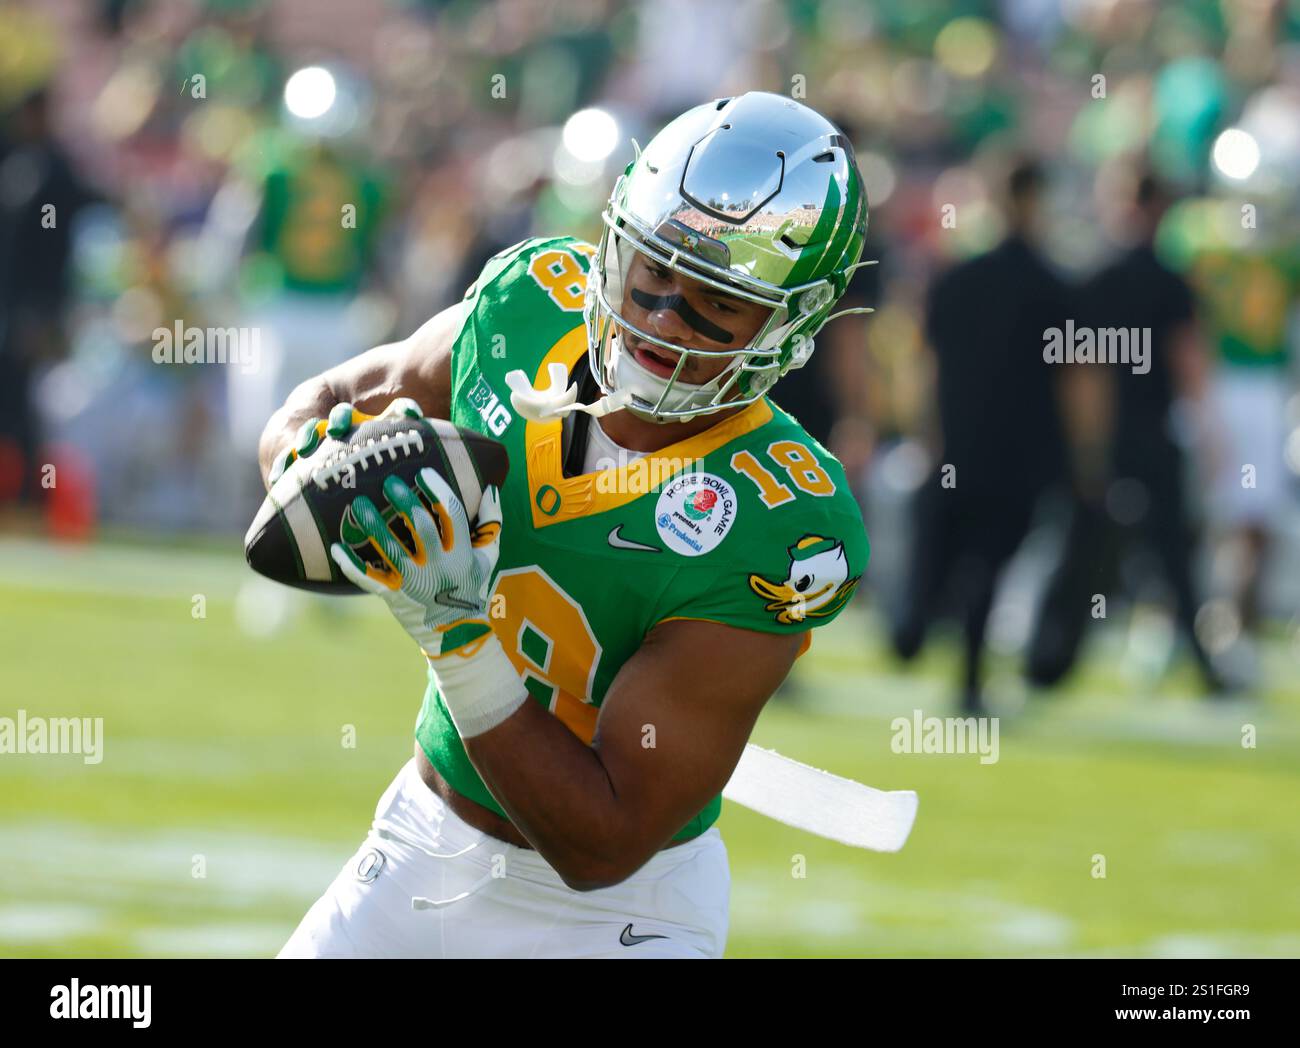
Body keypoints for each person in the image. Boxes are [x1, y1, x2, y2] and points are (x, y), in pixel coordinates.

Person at [260, 92, 871, 958]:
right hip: (421, 846)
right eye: (653, 269)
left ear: (791, 321)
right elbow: (327, 401)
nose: (663, 317)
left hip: (618, 917)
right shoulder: (530, 303)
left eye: (718, 300)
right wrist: (310, 466)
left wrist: (456, 638)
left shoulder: (784, 519)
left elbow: (604, 842)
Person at [892, 157, 1073, 713]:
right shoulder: (1054, 285)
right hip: (1019, 450)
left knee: (943, 543)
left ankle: (914, 620)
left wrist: (924, 432)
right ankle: (964, 673)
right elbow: (1076, 381)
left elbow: (926, 365)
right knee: (988, 564)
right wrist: (1083, 456)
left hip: (958, 443)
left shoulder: (958, 278)